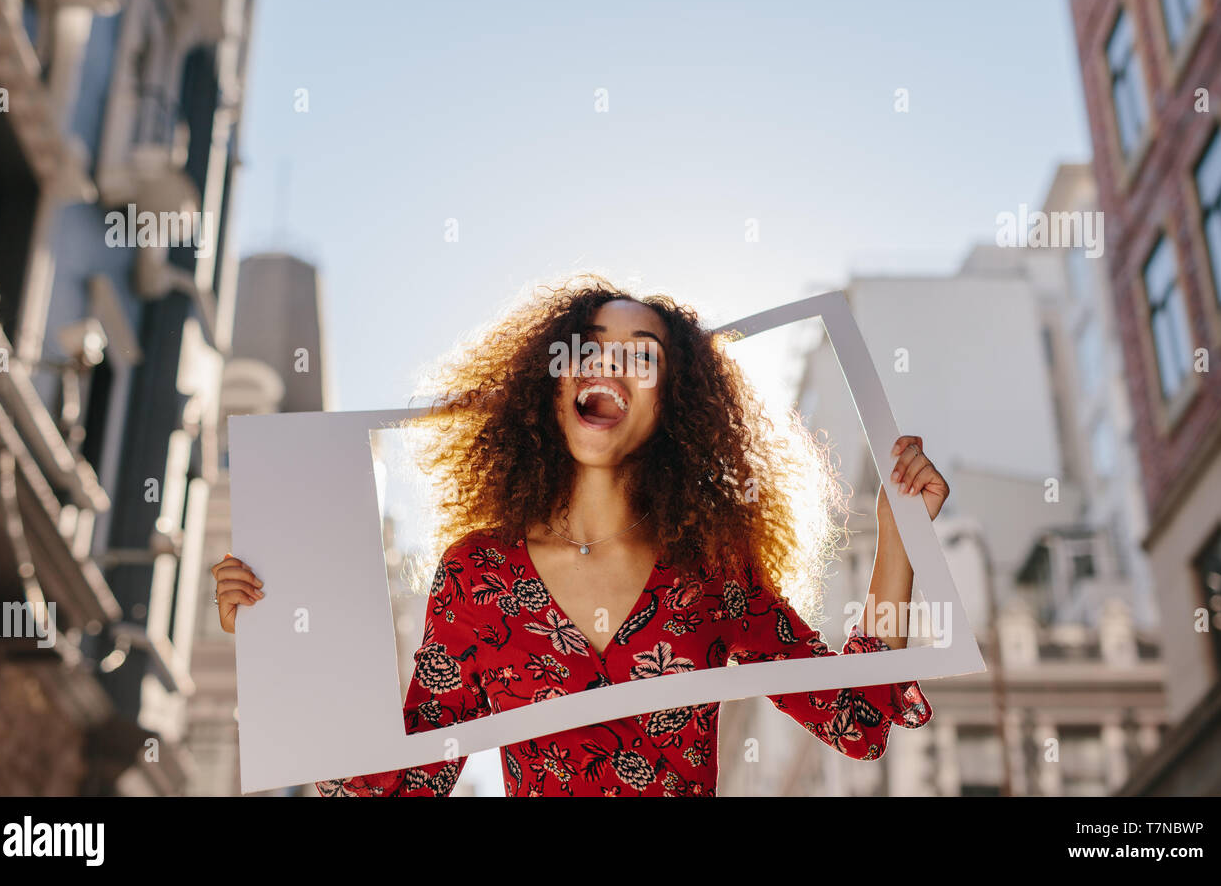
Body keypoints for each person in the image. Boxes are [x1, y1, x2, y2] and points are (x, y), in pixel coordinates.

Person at [211, 274, 948, 796]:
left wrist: (897, 537)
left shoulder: (714, 572)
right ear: (554, 384)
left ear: (673, 408)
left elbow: (857, 721)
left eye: (644, 355)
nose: (611, 363)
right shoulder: (479, 577)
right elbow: (388, 787)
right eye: (589, 345)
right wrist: (277, 642)